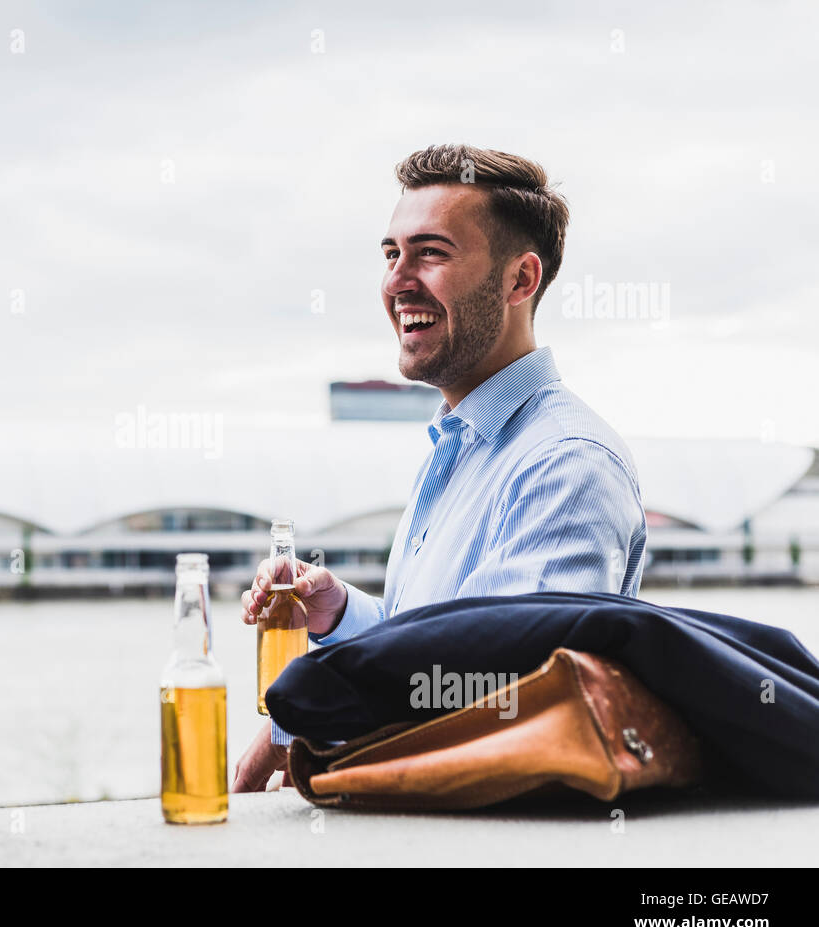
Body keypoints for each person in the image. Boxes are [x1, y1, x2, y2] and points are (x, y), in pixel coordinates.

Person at [233, 144, 647, 791]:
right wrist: (341, 617)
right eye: (391, 253)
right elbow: (445, 643)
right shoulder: (458, 446)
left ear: (519, 280)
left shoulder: (566, 466)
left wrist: (297, 717)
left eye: (430, 252)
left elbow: (496, 698)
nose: (398, 281)